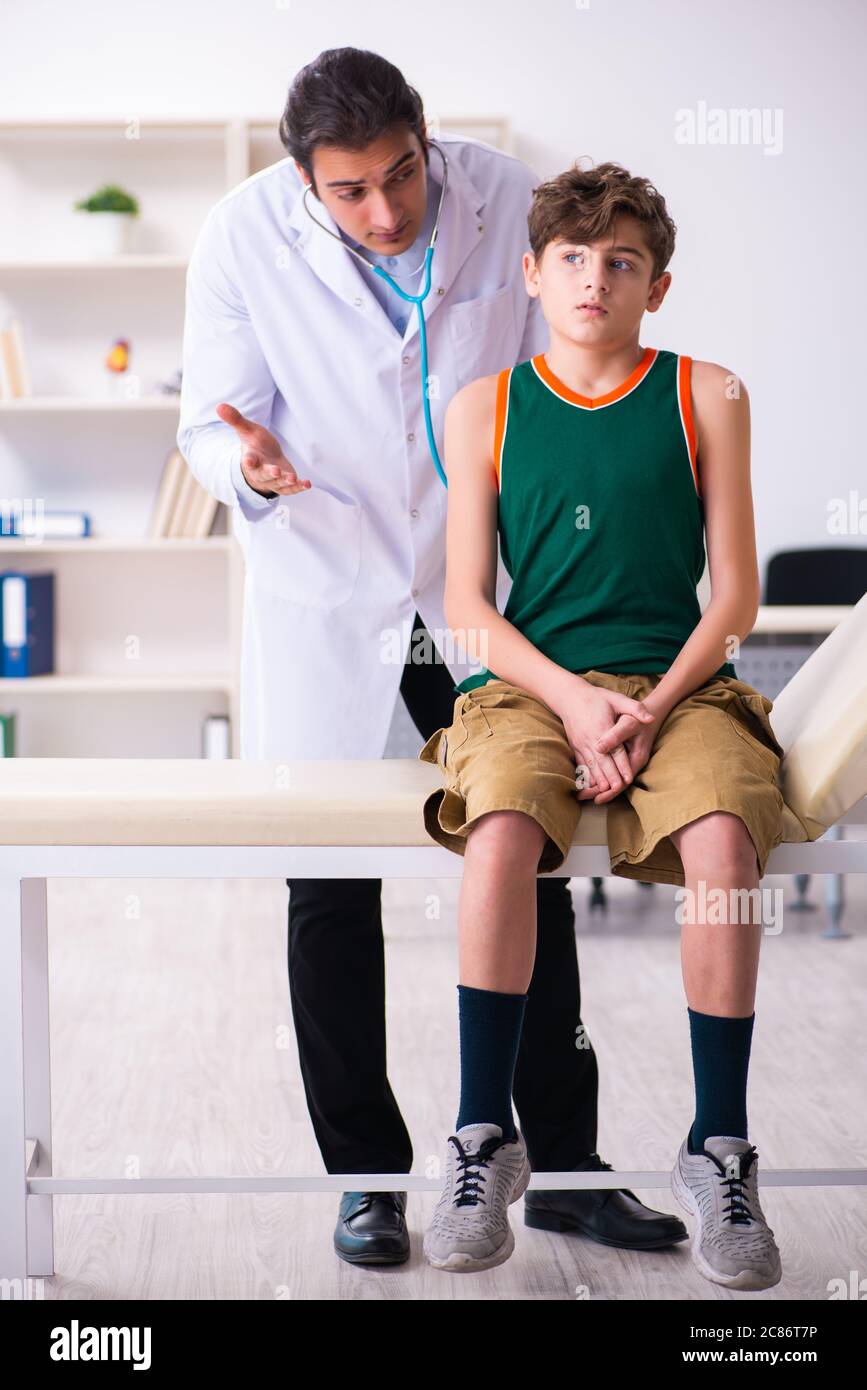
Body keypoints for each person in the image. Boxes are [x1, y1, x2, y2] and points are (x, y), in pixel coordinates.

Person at [177, 46, 684, 1267]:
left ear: (427, 136)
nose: (388, 209)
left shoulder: (510, 198)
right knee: (330, 891)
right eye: (349, 191)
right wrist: (244, 465)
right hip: (329, 582)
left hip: (480, 594)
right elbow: (209, 414)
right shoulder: (240, 238)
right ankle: (365, 1180)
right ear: (305, 180)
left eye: (402, 173)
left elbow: (570, 365)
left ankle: (561, 1167)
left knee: (531, 860)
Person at [419, 158, 799, 1289]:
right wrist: (579, 703)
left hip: (678, 684)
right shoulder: (484, 405)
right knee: (498, 836)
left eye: (621, 261)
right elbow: (469, 609)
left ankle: (719, 1146)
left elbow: (734, 597)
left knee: (726, 841)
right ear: (532, 274)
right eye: (574, 259)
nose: (596, 279)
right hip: (532, 686)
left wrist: (649, 706)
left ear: (658, 285)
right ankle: (485, 1133)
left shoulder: (709, 393)